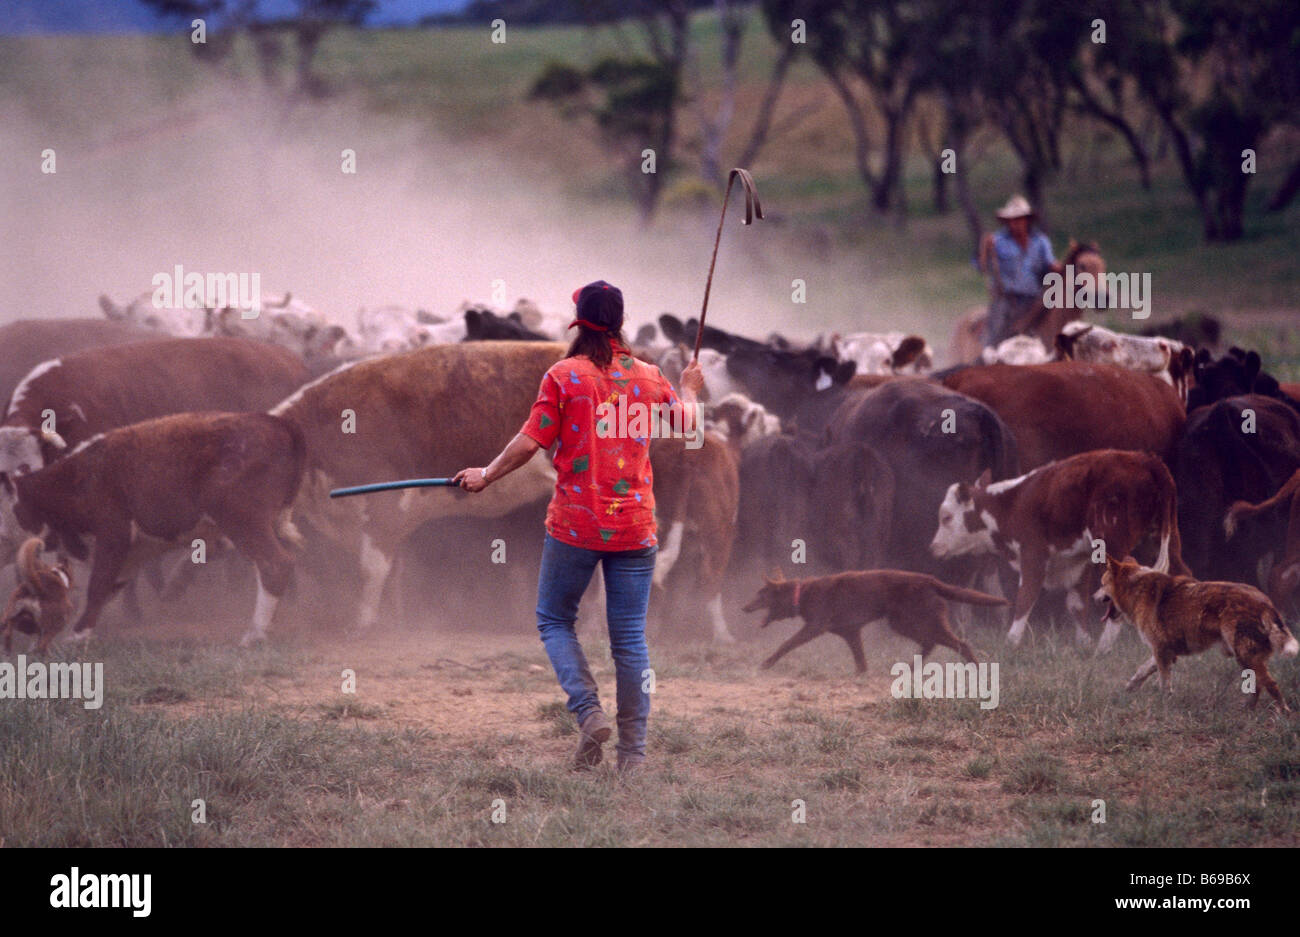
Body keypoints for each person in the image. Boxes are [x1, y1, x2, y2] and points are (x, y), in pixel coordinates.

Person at [453, 280, 704, 776]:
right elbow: (690, 428)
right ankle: (632, 753)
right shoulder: (650, 378)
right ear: (619, 323)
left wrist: (485, 474)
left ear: (578, 323)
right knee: (629, 639)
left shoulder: (564, 376)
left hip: (575, 524)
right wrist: (691, 390)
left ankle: (588, 713)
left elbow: (529, 444)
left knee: (553, 620)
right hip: (634, 526)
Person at [979, 195, 1056, 348]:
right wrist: (985, 250)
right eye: (1012, 220)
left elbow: (1050, 264)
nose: (1016, 223)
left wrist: (1063, 268)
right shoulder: (997, 241)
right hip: (1008, 299)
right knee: (996, 335)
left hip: (1034, 298)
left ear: (1027, 220)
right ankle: (987, 356)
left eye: (1020, 219)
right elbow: (983, 267)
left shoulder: (1041, 241)